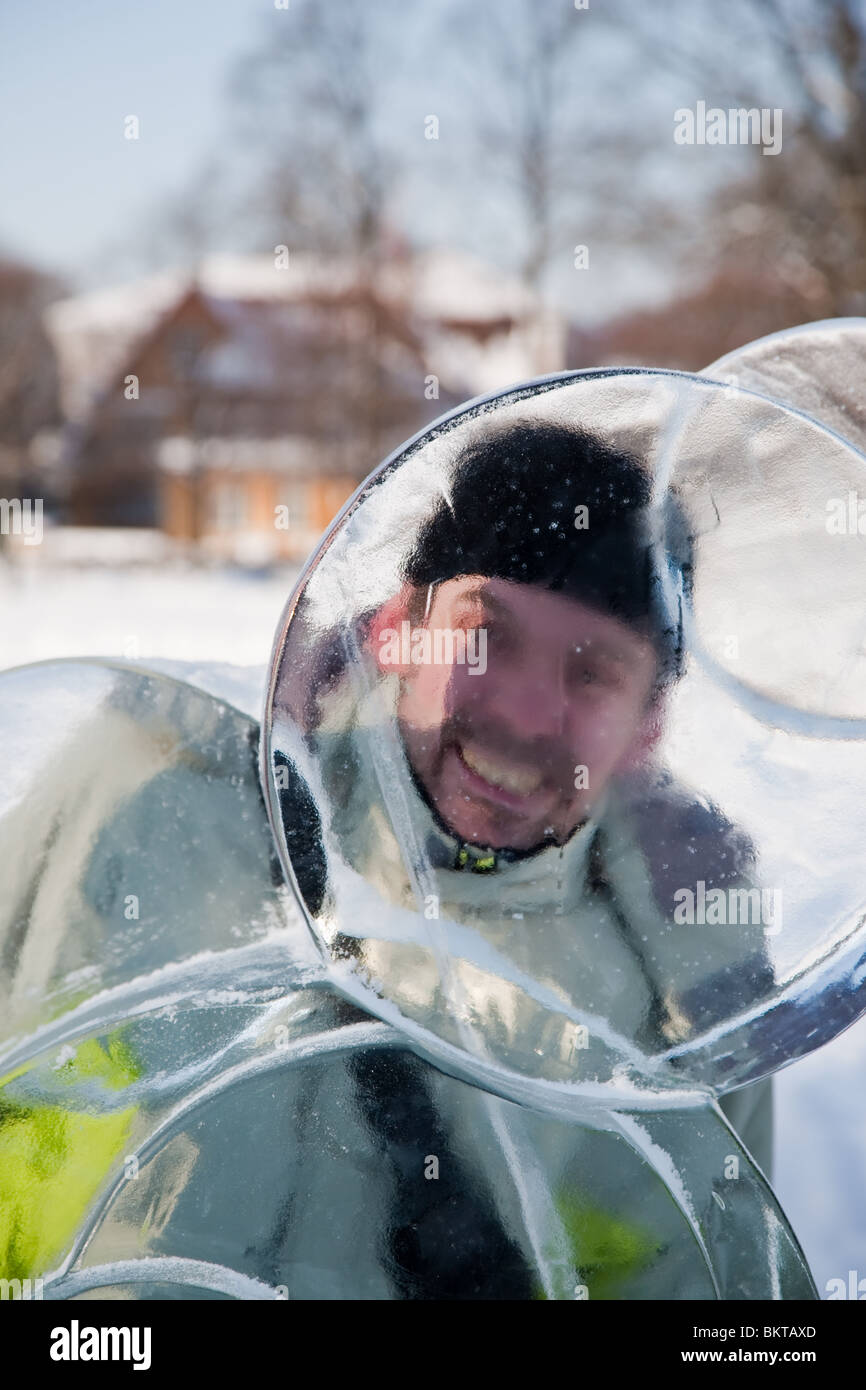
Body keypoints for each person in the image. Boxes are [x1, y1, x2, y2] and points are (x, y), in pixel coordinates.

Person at [274, 419, 776, 1295]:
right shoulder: (174, 796)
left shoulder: (697, 986)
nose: (526, 715)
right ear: (399, 628)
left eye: (593, 674)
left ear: (646, 729)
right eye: (485, 634)